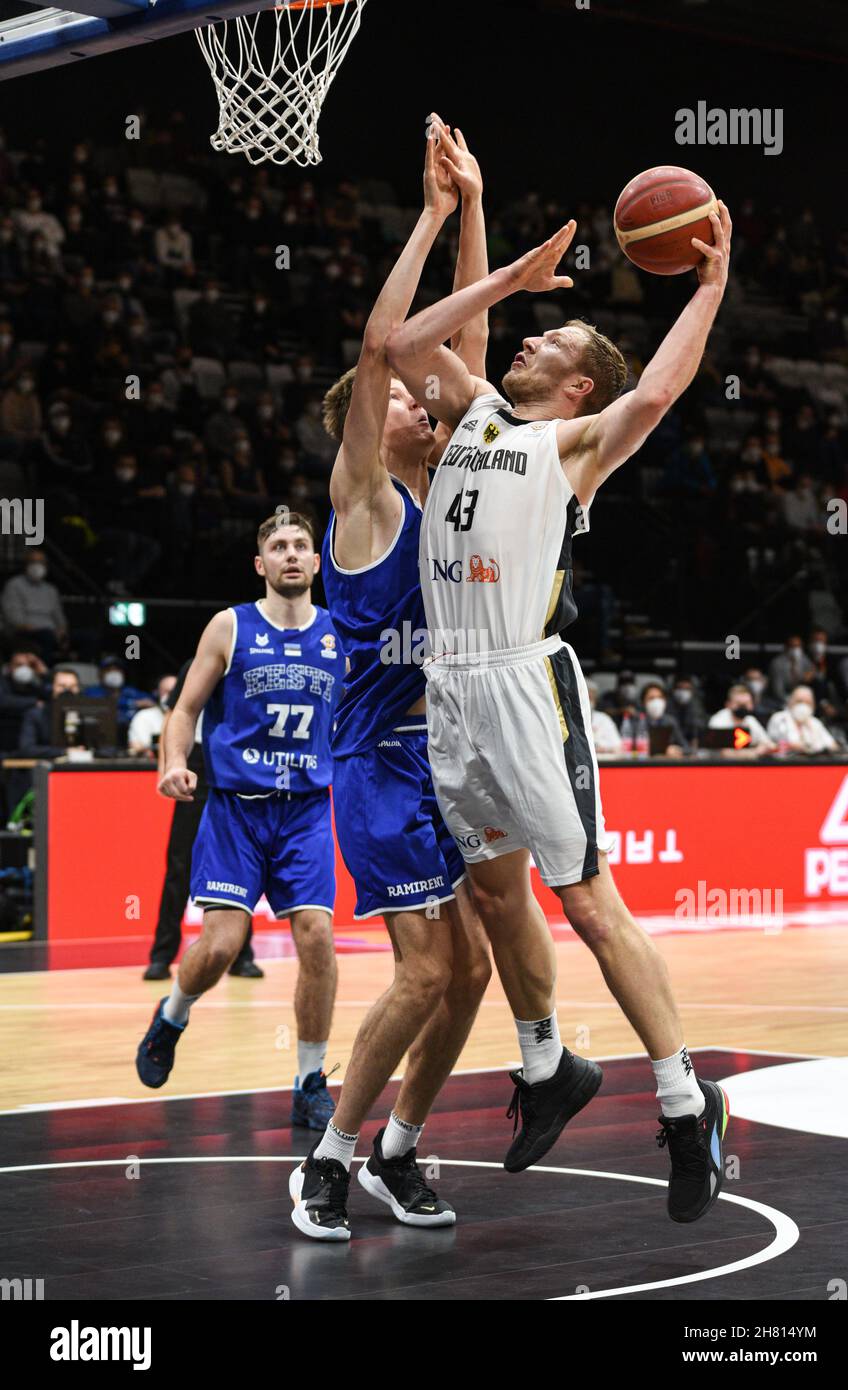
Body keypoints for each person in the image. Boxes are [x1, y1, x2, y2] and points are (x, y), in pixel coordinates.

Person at [386, 154, 734, 1223]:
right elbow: (404, 344)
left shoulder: (575, 444)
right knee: (497, 897)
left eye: (557, 338)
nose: (535, 335)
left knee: (585, 898)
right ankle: (547, 1067)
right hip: (448, 689)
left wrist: (711, 286)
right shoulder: (477, 411)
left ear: (582, 384)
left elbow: (662, 389)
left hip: (528, 687)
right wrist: (490, 239)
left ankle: (686, 1101)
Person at [289, 120, 492, 1243]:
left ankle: (400, 1150)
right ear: (373, 432)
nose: (432, 394)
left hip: (447, 758)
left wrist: (476, 208)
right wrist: (422, 214)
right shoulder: (369, 507)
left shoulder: (453, 480)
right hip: (375, 765)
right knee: (423, 972)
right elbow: (381, 352)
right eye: (415, 398)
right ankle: (327, 1157)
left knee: (471, 974)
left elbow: (473, 337)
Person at [135, 513, 344, 1132]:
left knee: (317, 938)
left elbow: (368, 716)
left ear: (314, 562)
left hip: (306, 812)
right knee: (221, 947)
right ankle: (173, 1013)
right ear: (260, 564)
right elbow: (184, 709)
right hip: (235, 811)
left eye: (301, 546)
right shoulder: (231, 626)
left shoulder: (341, 636)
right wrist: (173, 763)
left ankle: (309, 1079)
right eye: (277, 546)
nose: (290, 555)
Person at [143, 660, 260, 984]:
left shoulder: (253, 657)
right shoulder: (196, 664)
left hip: (238, 762)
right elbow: (175, 713)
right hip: (196, 762)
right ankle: (162, 955)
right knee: (180, 863)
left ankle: (242, 956)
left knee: (242, 862)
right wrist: (167, 767)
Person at [1, 551, 68, 664]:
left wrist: (62, 631)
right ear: (26, 565)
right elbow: (13, 617)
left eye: (41, 562)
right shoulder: (14, 585)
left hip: (51, 632)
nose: (38, 566)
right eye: (33, 562)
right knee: (46, 636)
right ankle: (45, 673)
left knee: (88, 638)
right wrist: (34, 628)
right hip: (24, 632)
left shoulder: (51, 589)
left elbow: (59, 617)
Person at [767, 685, 839, 754]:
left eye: (807, 702)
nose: (803, 706)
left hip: (815, 763)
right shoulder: (779, 718)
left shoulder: (815, 722)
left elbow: (832, 745)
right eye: (799, 701)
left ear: (813, 706)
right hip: (787, 763)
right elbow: (779, 744)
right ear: (790, 702)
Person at [708, 683, 775, 754]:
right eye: (739, 704)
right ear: (729, 704)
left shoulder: (750, 720)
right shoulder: (719, 721)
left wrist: (762, 747)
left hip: (745, 763)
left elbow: (770, 745)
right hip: (717, 764)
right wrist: (755, 752)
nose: (743, 708)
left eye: (746, 704)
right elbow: (725, 753)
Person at [127, 675, 176, 757]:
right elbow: (138, 747)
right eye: (167, 692)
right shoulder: (143, 716)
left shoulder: (194, 717)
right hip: (151, 766)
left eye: (175, 692)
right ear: (157, 693)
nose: (171, 696)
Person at [586, 680, 622, 758]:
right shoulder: (567, 719)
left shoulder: (604, 718)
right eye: (585, 697)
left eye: (591, 697)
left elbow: (617, 747)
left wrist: (599, 747)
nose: (588, 701)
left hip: (604, 764)